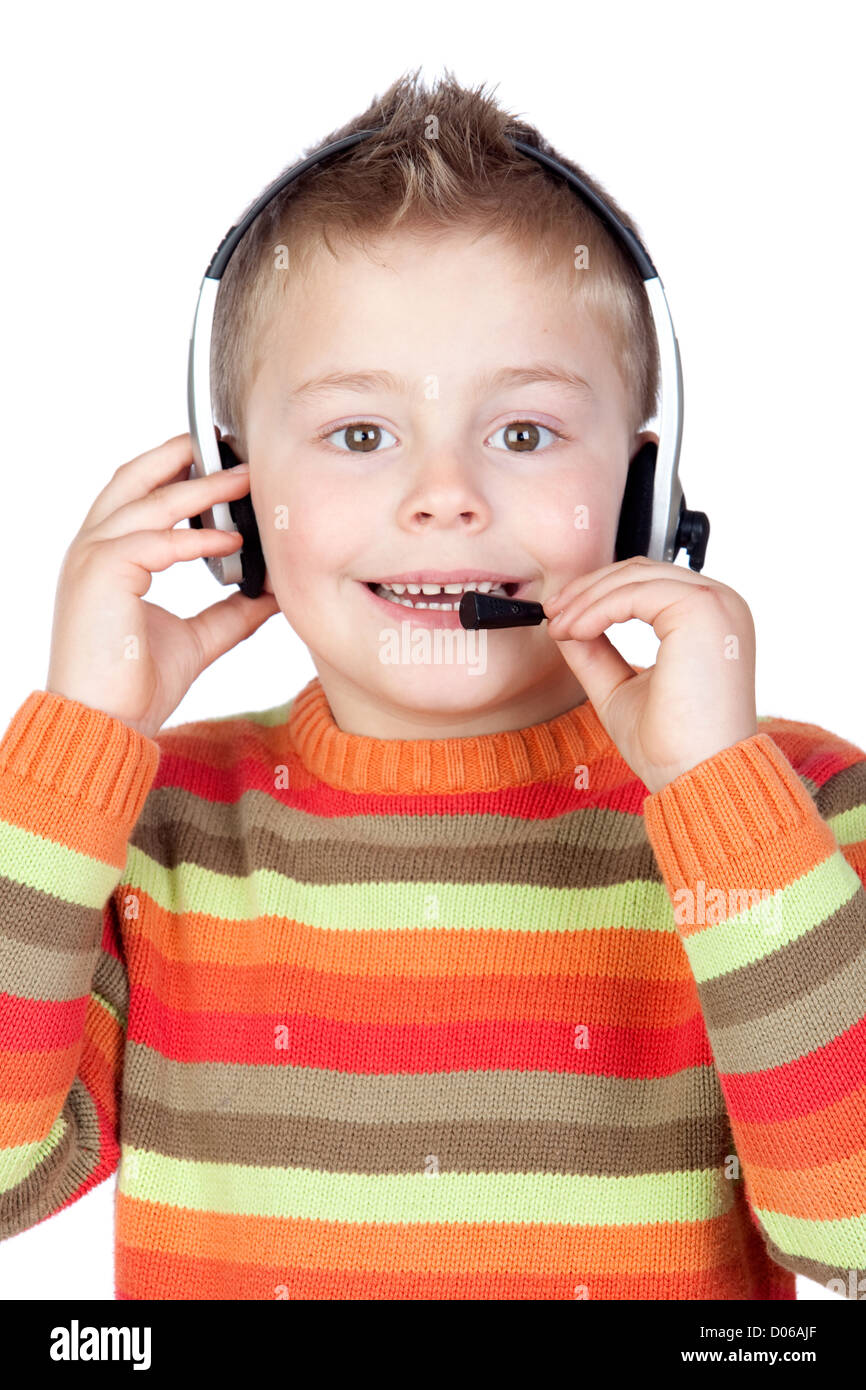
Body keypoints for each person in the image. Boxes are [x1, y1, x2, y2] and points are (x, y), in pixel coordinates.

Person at [1, 68, 864, 1301]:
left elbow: (853, 1230)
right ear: (233, 493)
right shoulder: (139, 830)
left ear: (640, 500)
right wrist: (73, 745)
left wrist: (716, 791)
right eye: (360, 435)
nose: (442, 493)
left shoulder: (792, 812)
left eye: (521, 434)